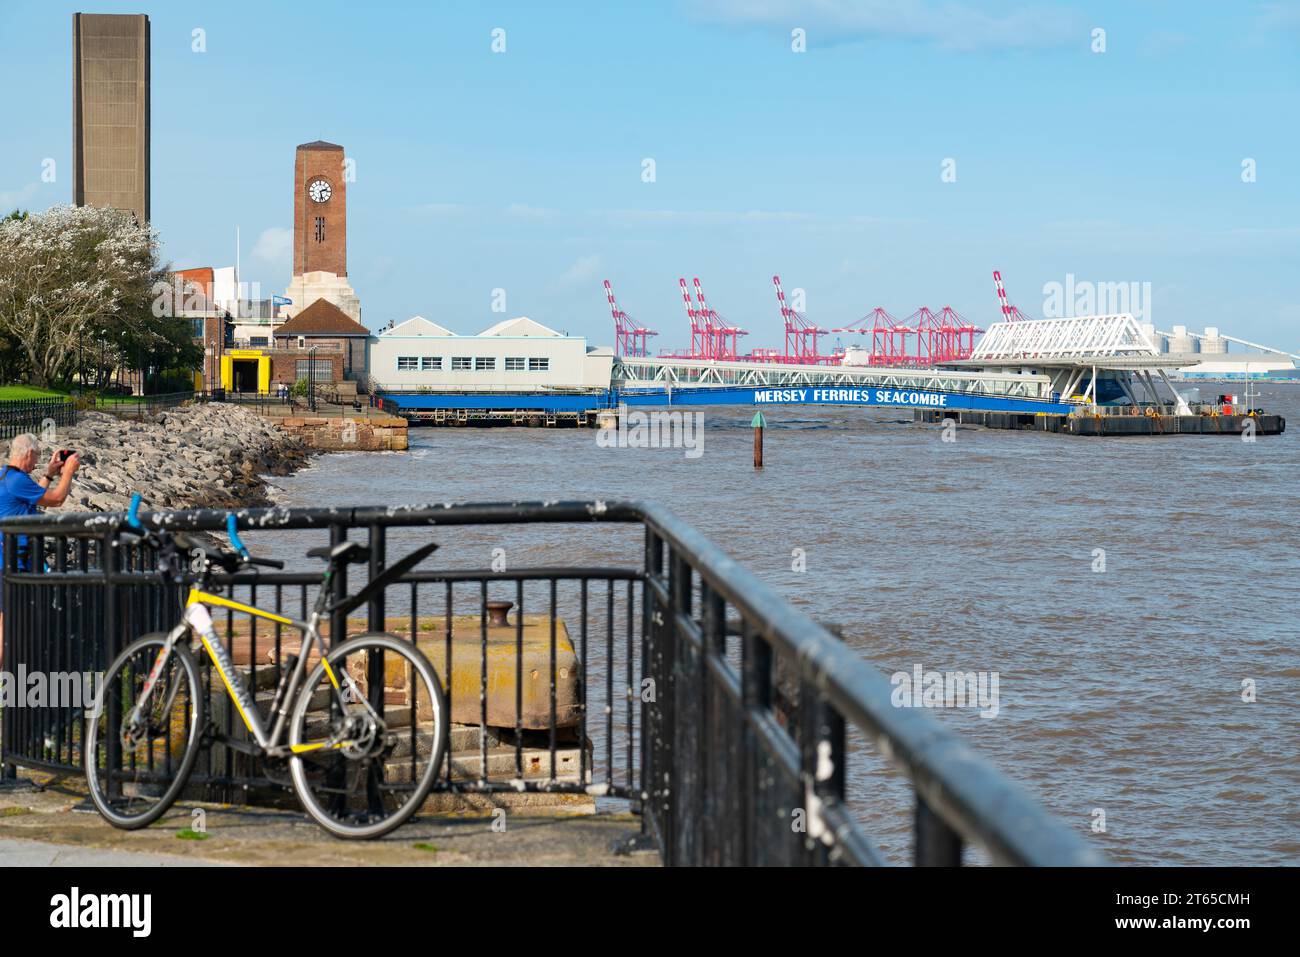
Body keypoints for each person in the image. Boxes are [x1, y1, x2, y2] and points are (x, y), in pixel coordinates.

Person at [0, 433, 80, 668]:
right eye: (36, 457)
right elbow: (56, 500)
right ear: (28, 454)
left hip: (11, 559)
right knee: (5, 623)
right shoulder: (17, 480)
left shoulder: (7, 476)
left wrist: (48, 474)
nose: (36, 462)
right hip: (10, 561)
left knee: (12, 619)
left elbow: (30, 500)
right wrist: (68, 473)